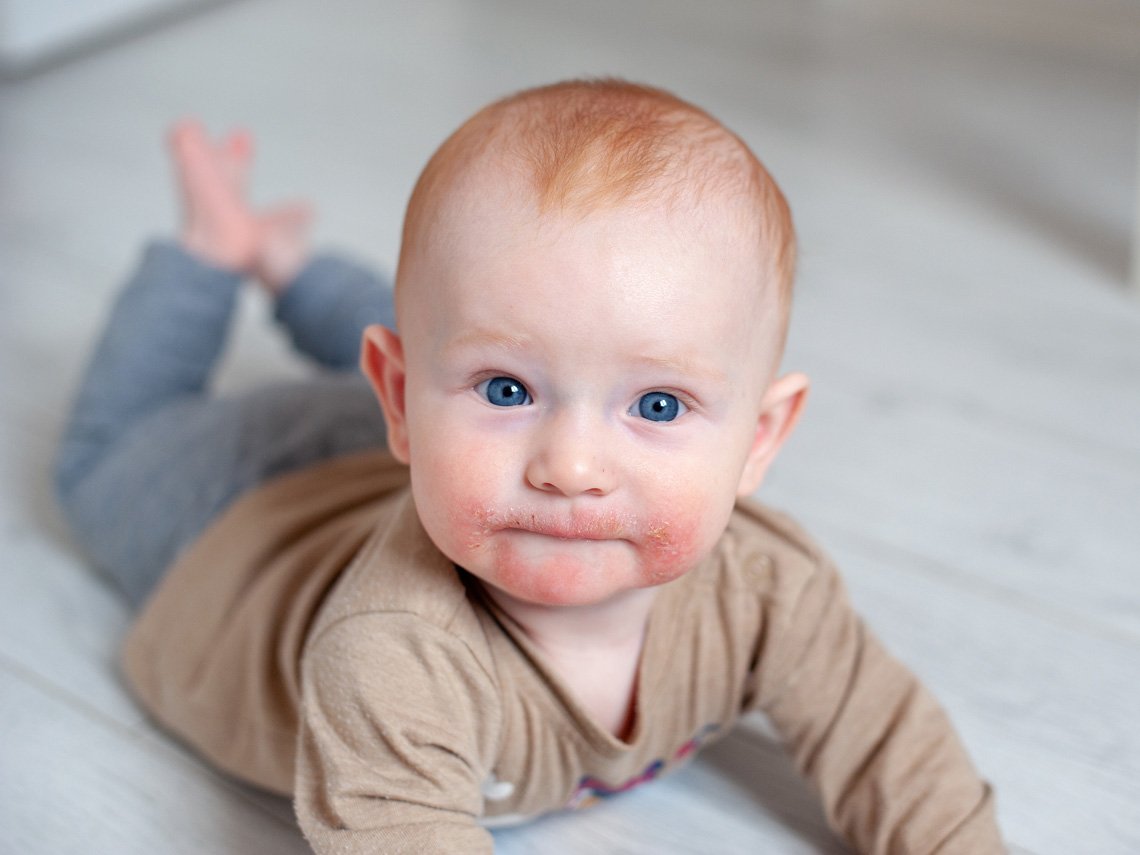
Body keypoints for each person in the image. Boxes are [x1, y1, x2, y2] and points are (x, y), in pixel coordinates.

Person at [55, 80, 1004, 854]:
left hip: (416, 457)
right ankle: (212, 252)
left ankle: (300, 271)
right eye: (509, 392)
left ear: (760, 438)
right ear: (399, 403)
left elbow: (889, 748)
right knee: (100, 463)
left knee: (486, 326)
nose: (572, 465)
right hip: (230, 529)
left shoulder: (766, 592)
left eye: (658, 405)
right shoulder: (392, 657)